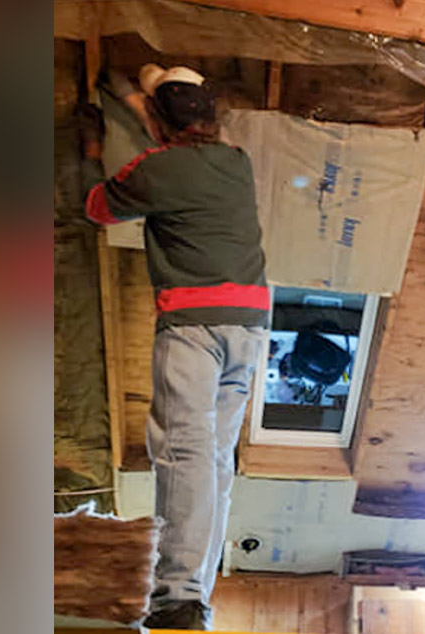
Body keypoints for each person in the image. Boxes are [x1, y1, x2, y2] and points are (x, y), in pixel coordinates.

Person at [80, 64, 269, 630]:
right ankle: (193, 592)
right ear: (210, 117)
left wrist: (91, 147)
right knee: (212, 460)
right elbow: (182, 136)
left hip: (194, 327)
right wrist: (141, 101)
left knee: (183, 453)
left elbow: (98, 207)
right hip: (250, 324)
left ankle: (179, 601)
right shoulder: (236, 162)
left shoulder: (155, 172)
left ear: (160, 123)